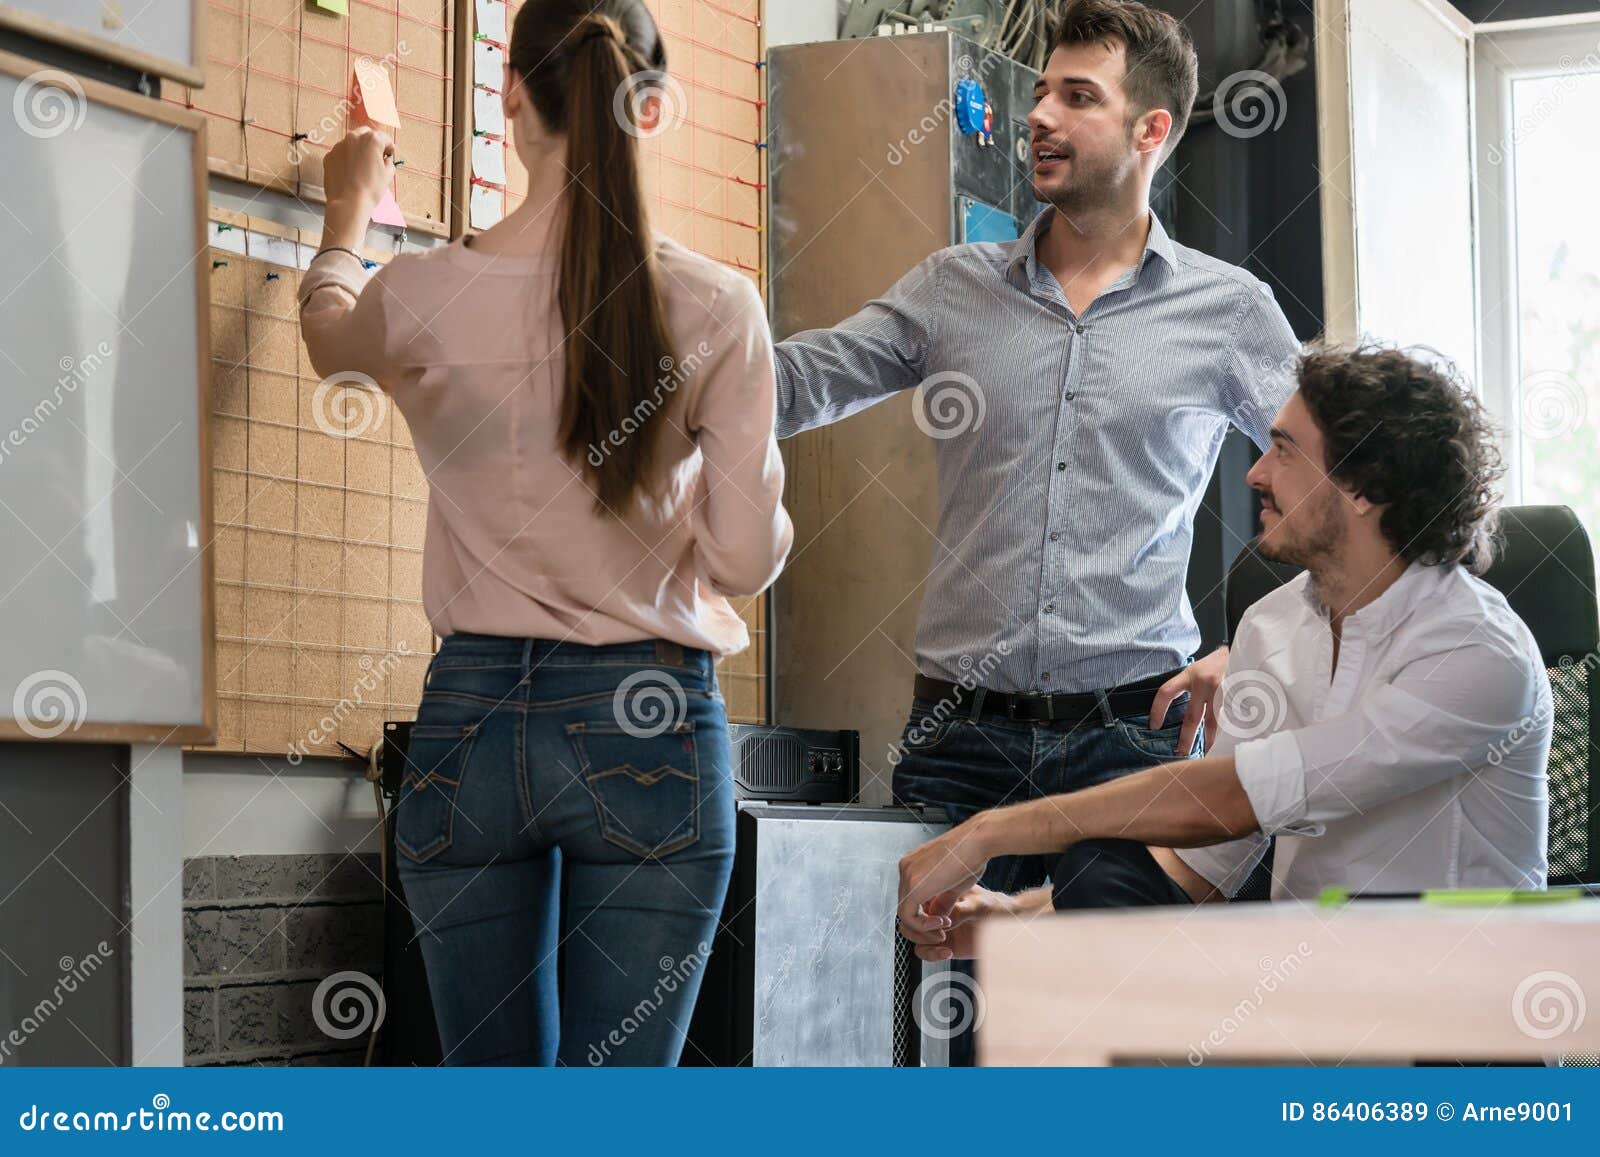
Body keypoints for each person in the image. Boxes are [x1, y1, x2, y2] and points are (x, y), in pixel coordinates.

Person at [299, 0, 792, 1066]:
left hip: (467, 722)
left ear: (509, 97)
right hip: (648, 723)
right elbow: (747, 560)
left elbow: (327, 336)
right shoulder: (716, 307)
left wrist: (348, 210)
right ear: (649, 109)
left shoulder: (424, 292)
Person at [776, 0, 1301, 975]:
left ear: (1152, 130)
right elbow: (800, 382)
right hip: (956, 741)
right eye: (1042, 91)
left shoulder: (1228, 311)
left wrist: (1268, 647)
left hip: (1130, 744)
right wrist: (661, 353)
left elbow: (1337, 482)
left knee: (1108, 1037)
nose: (1040, 115)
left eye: (1077, 96)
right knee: (949, 1032)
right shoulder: (951, 287)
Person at [897, 345, 1552, 961]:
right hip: (1316, 1013)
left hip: (1459, 1024)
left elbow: (1235, 797)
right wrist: (1014, 918)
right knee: (1104, 870)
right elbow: (1207, 863)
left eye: (1285, 451)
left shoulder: (1478, 652)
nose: (1256, 473)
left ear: (1361, 485)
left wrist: (990, 830)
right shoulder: (1272, 624)